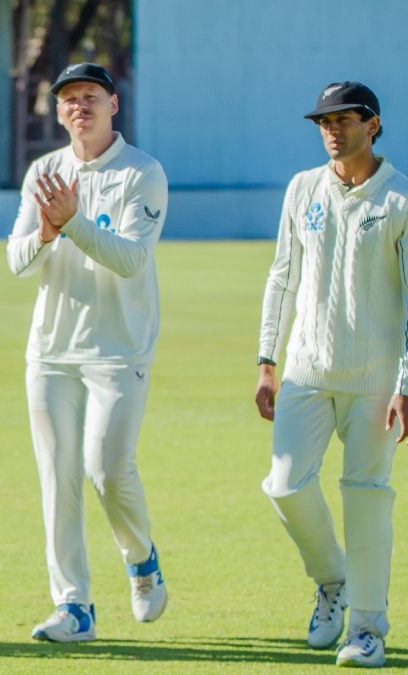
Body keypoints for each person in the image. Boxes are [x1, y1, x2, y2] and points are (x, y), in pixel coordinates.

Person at [6, 63, 168, 643]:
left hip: (118, 348)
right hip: (50, 350)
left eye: (91, 97)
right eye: (69, 99)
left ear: (113, 105)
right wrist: (48, 234)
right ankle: (73, 606)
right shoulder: (44, 171)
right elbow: (16, 260)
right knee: (58, 477)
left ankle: (141, 558)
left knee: (107, 469)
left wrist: (71, 222)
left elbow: (129, 260)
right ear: (57, 111)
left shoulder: (142, 173)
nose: (80, 107)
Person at [256, 81, 408, 669]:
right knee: (286, 485)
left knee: (367, 498)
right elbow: (281, 277)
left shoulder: (398, 199)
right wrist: (267, 361)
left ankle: (368, 630)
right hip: (306, 371)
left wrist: (406, 383)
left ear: (373, 125)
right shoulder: (302, 189)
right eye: (324, 121)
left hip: (374, 379)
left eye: (344, 120)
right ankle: (332, 580)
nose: (332, 130)